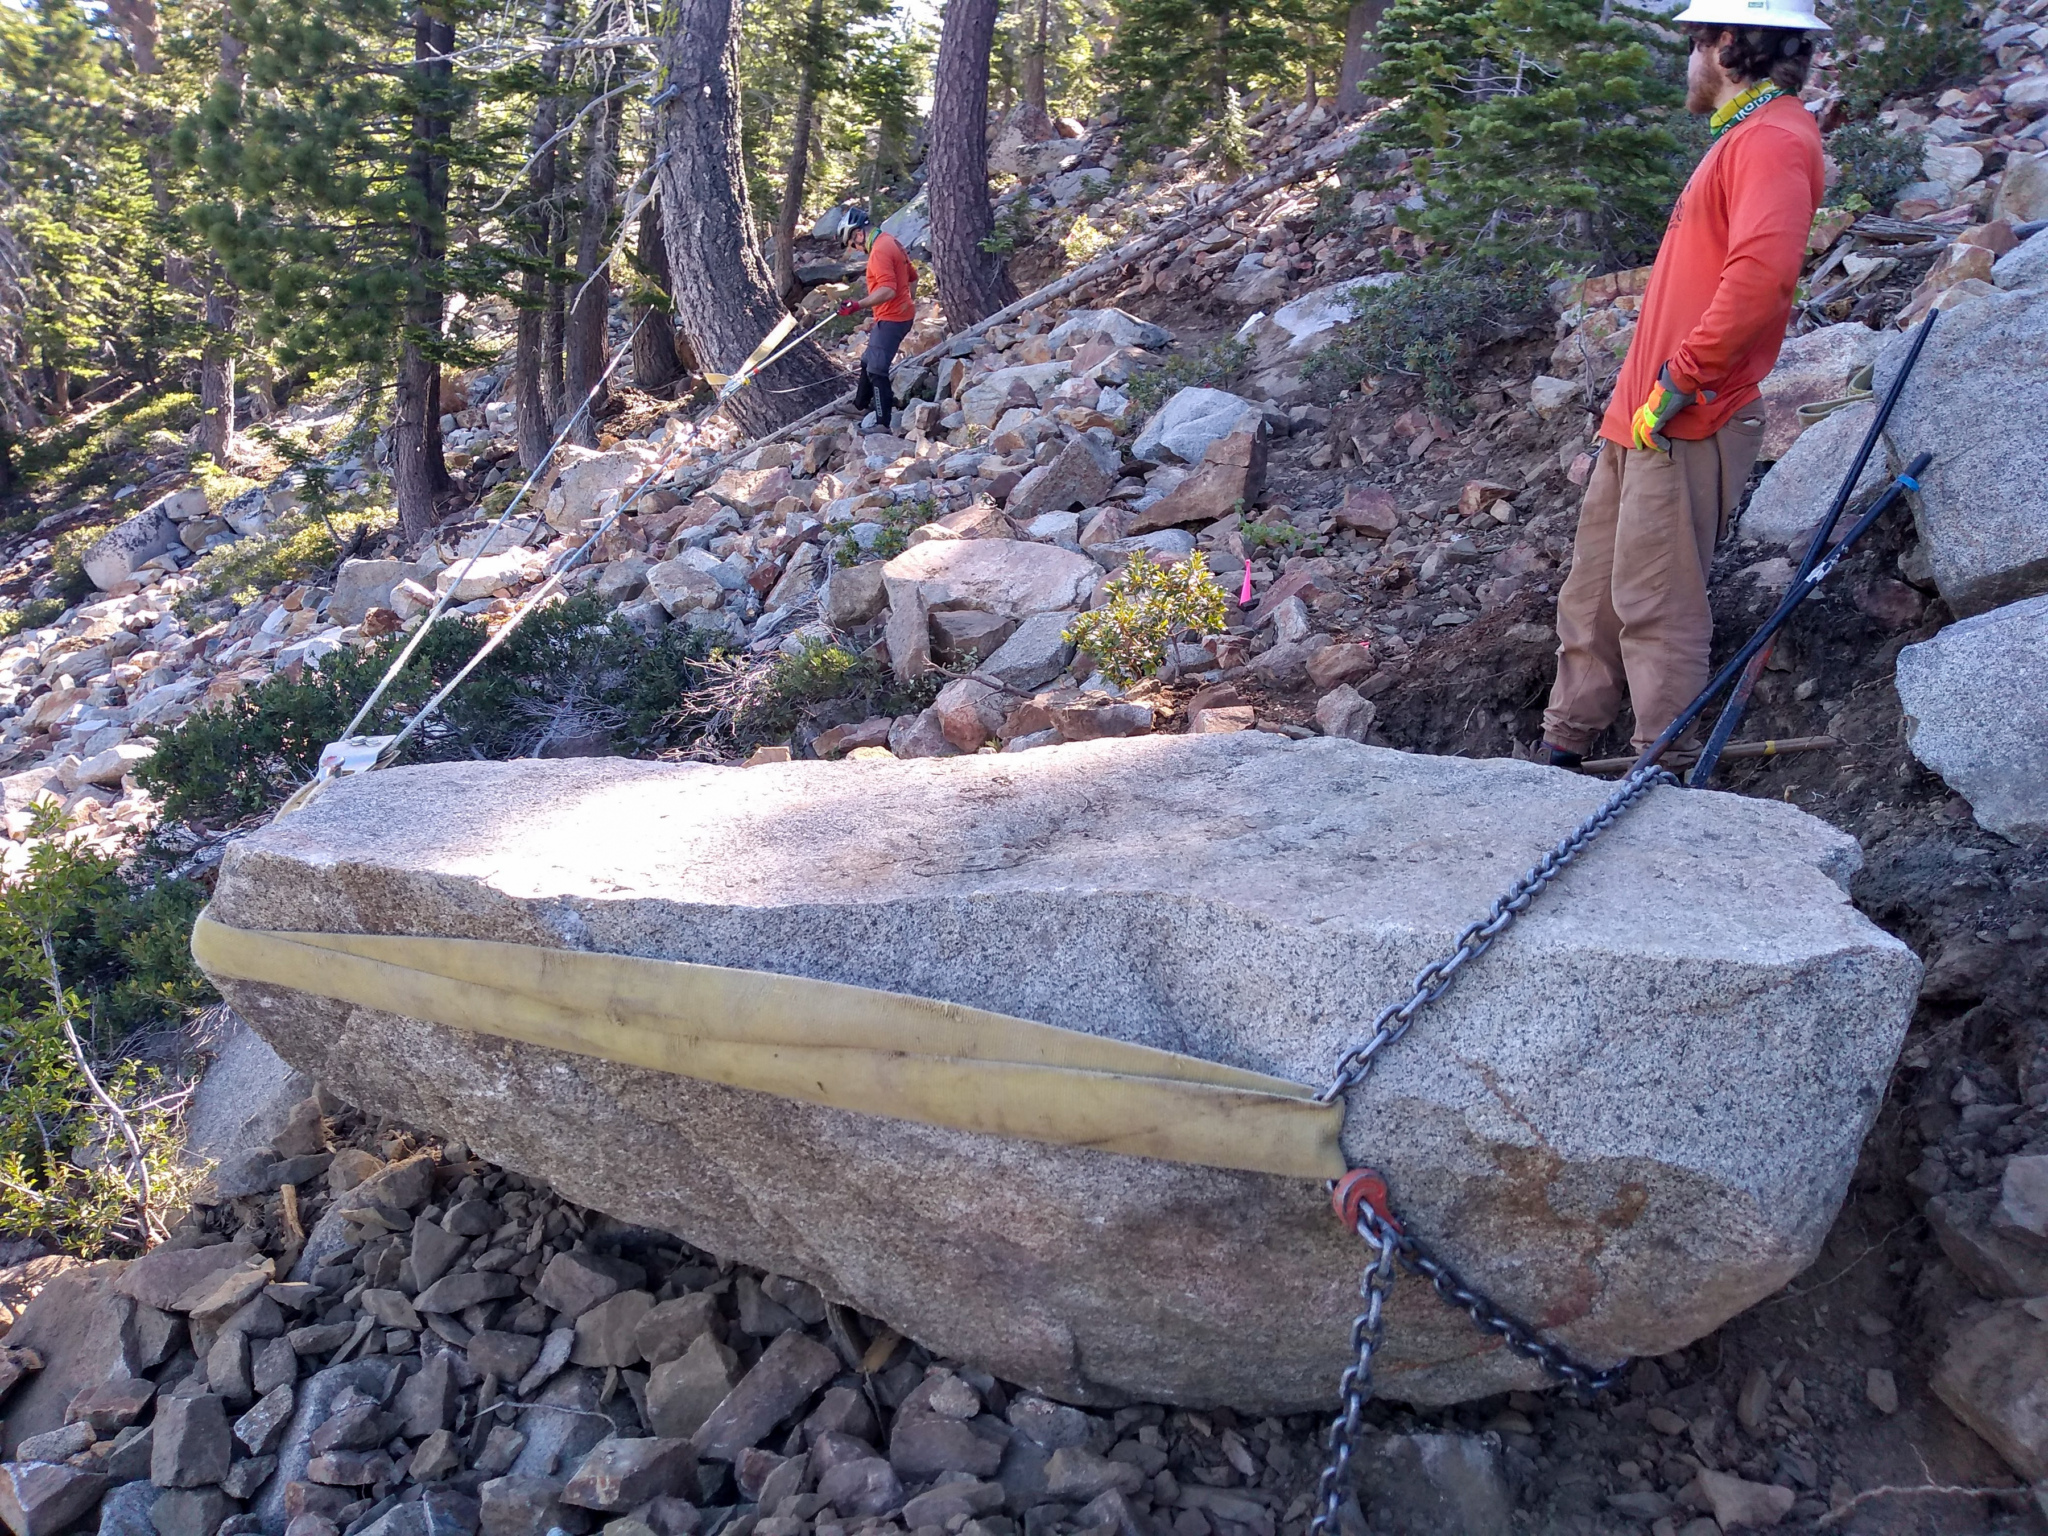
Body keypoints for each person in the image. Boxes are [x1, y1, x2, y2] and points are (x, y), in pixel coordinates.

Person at [1539, 0, 1829, 769]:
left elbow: (1761, 278)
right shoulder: (1744, 136)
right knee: (1593, 597)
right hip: (1639, 415)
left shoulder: (1774, 137)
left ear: (1727, 43)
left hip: (1686, 413)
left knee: (1655, 599)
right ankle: (1561, 748)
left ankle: (1657, 765)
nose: (1686, 62)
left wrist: (1680, 379)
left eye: (1693, 42)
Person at [836, 209, 918, 431]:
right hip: (893, 315)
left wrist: (858, 305)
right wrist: (909, 303)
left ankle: (883, 423)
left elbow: (888, 290)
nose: (856, 249)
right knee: (866, 360)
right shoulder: (890, 241)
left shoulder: (880, 250)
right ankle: (860, 405)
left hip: (893, 318)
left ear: (860, 235)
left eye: (853, 244)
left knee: (877, 370)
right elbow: (912, 277)